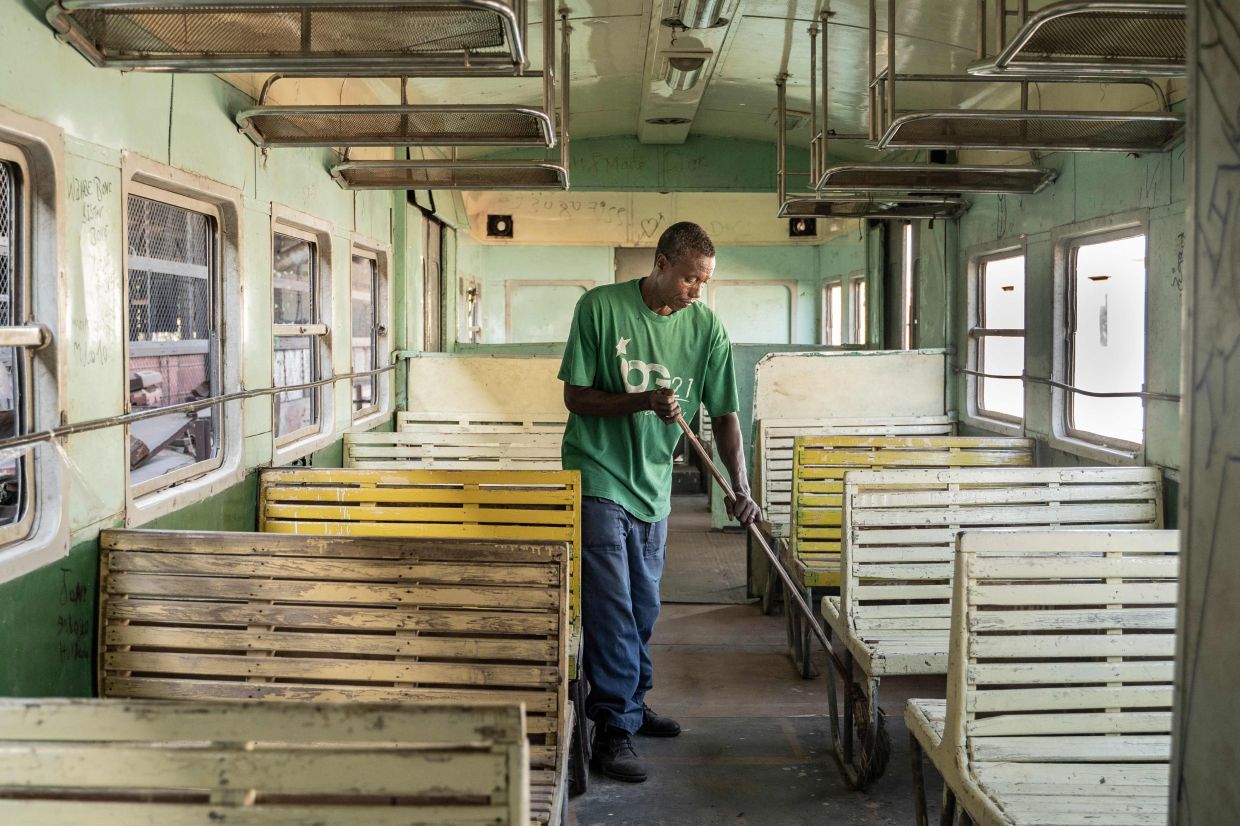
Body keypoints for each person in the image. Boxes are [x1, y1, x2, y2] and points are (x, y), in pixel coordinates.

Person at [558, 221, 760, 783]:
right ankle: (611, 727)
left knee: (644, 607)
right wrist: (642, 400)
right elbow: (575, 396)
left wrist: (741, 489)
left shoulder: (707, 328)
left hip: (653, 486)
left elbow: (725, 417)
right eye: (690, 278)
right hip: (596, 473)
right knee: (611, 606)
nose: (696, 289)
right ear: (661, 262)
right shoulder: (600, 308)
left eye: (705, 281)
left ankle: (632, 702)